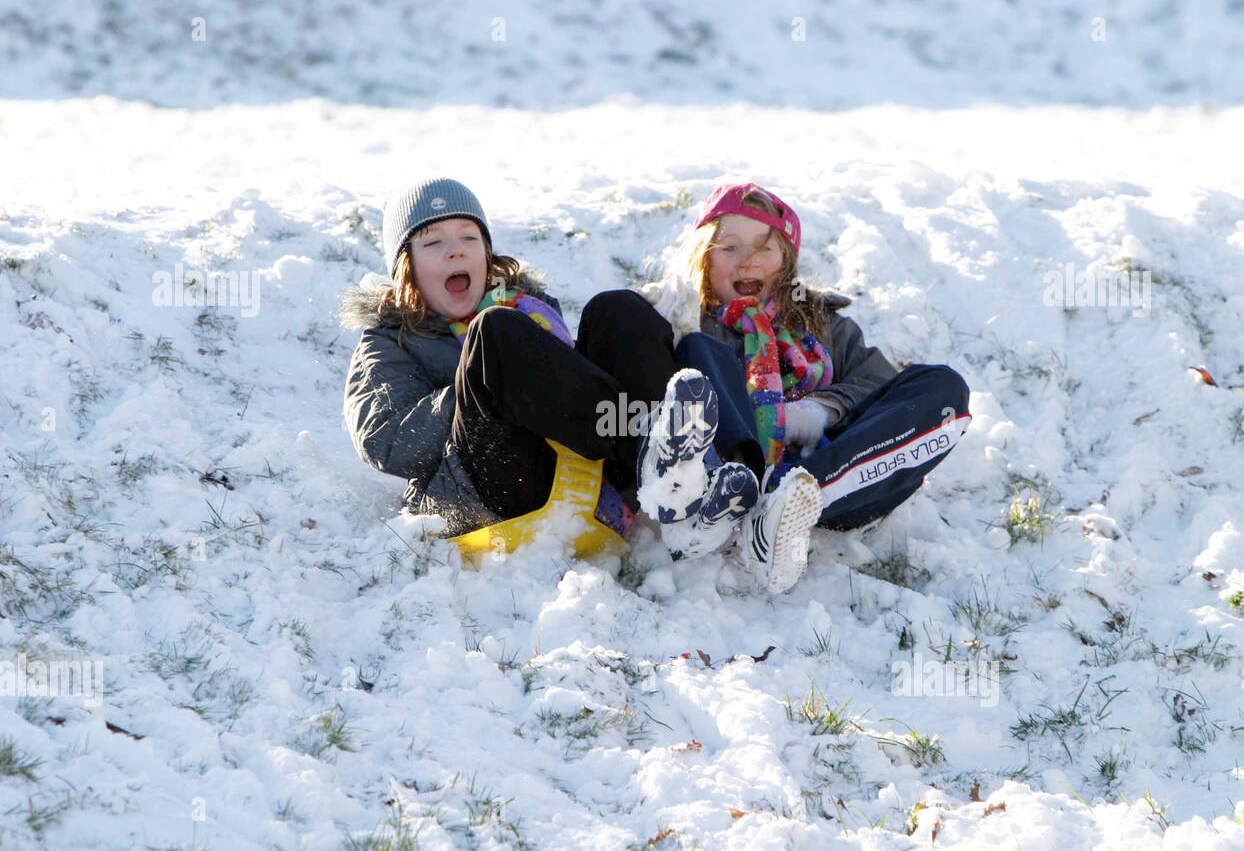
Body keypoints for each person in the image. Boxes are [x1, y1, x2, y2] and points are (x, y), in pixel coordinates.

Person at [339, 176, 755, 553]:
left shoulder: (530, 310)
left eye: (469, 237)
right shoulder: (388, 337)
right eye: (433, 243)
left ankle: (665, 470)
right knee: (495, 332)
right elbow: (387, 442)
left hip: (582, 459)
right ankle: (651, 444)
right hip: (489, 486)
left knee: (617, 309)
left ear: (486, 253)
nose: (455, 251)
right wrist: (479, 385)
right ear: (405, 269)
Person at [641, 182, 972, 592]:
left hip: (838, 478)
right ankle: (749, 494)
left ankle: (792, 504)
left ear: (787, 261)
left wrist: (816, 413)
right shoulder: (689, 321)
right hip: (730, 482)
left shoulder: (826, 325)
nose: (749, 261)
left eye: (765, 248)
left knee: (943, 389)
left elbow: (878, 385)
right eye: (729, 248)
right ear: (704, 260)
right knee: (697, 351)